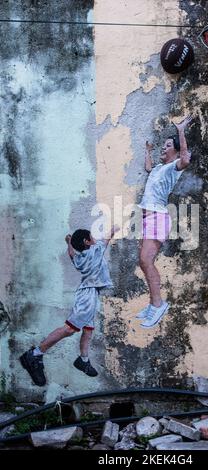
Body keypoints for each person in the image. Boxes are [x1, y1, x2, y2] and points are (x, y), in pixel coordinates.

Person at [19, 225, 119, 386]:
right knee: (70, 329)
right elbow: (107, 238)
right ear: (87, 242)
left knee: (88, 330)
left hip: (90, 293)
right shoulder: (95, 251)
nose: (94, 239)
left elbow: (72, 253)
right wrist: (114, 228)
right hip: (87, 295)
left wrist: (69, 243)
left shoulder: (79, 258)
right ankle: (36, 353)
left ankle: (83, 359)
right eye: (91, 237)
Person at [137, 115, 193, 328]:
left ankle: (158, 305)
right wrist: (148, 151)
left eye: (167, 146)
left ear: (176, 151)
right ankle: (153, 305)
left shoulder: (173, 168)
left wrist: (181, 131)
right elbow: (149, 168)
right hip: (147, 217)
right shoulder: (160, 168)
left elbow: (186, 160)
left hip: (157, 217)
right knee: (144, 261)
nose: (164, 148)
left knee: (145, 261)